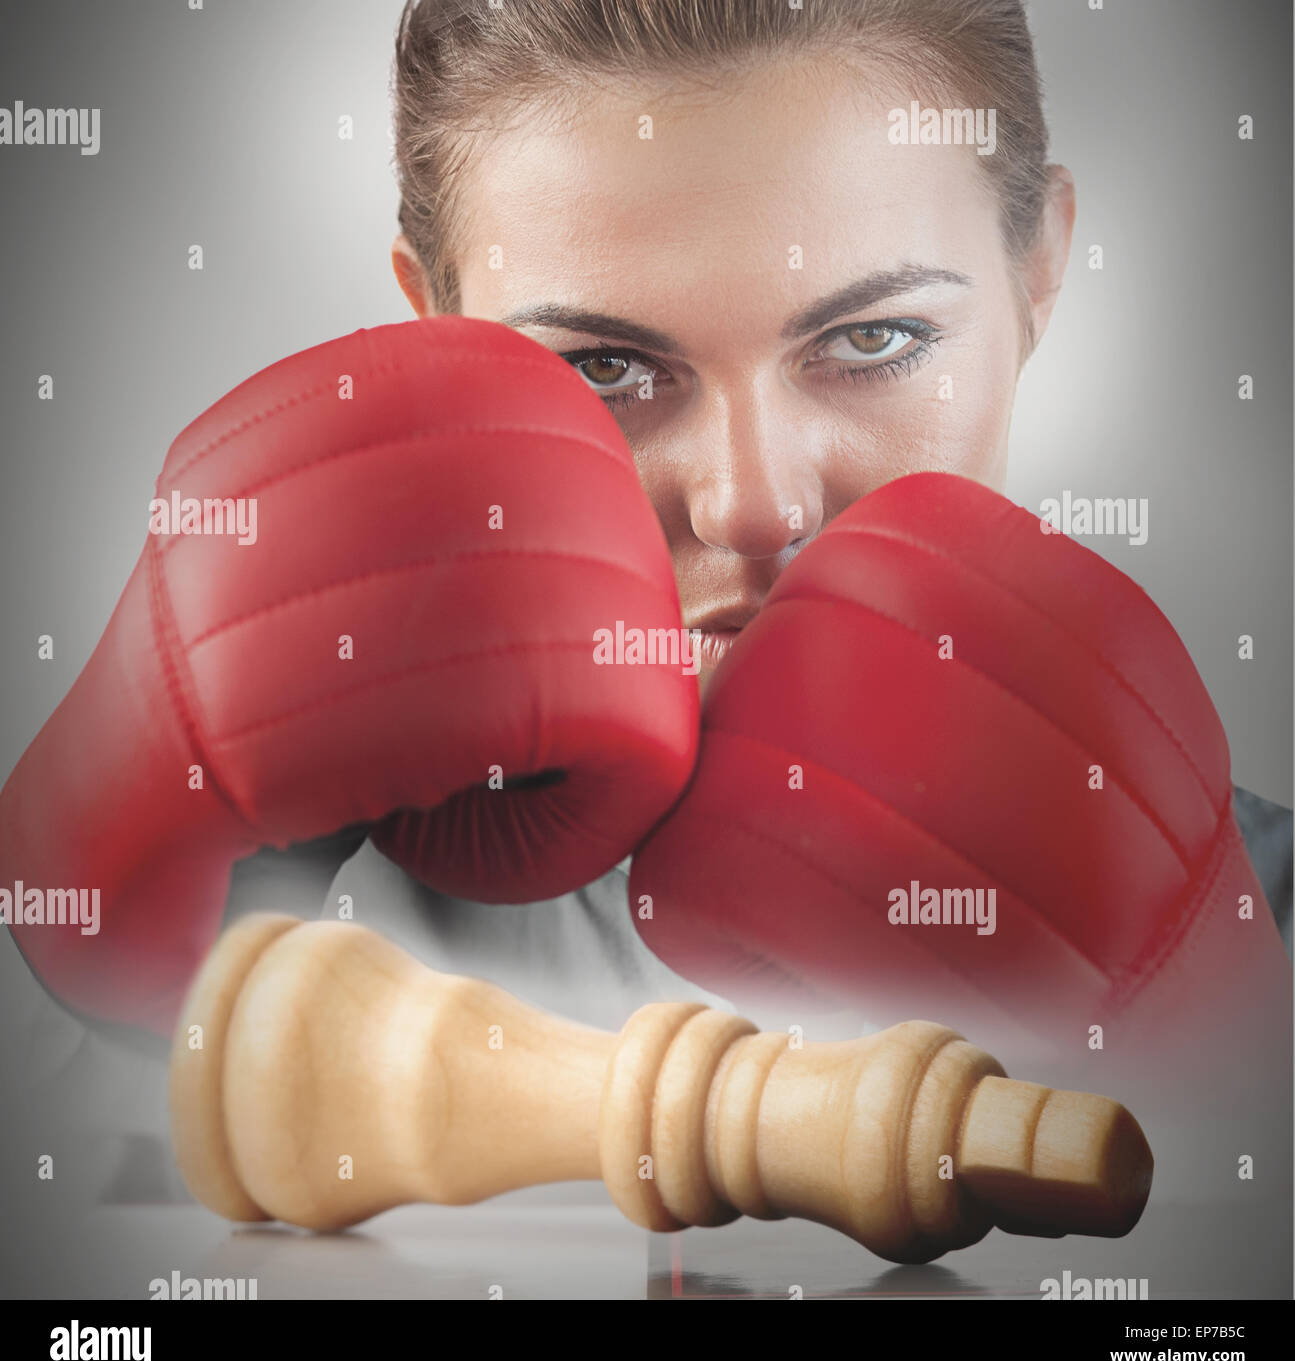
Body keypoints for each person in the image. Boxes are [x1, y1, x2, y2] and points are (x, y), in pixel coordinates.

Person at [2, 0, 1289, 1214]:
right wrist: (102, 979)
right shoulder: (306, 911)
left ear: (1039, 276)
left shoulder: (1256, 915)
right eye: (607, 368)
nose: (749, 503)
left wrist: (1218, 1054)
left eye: (876, 340)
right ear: (437, 324)